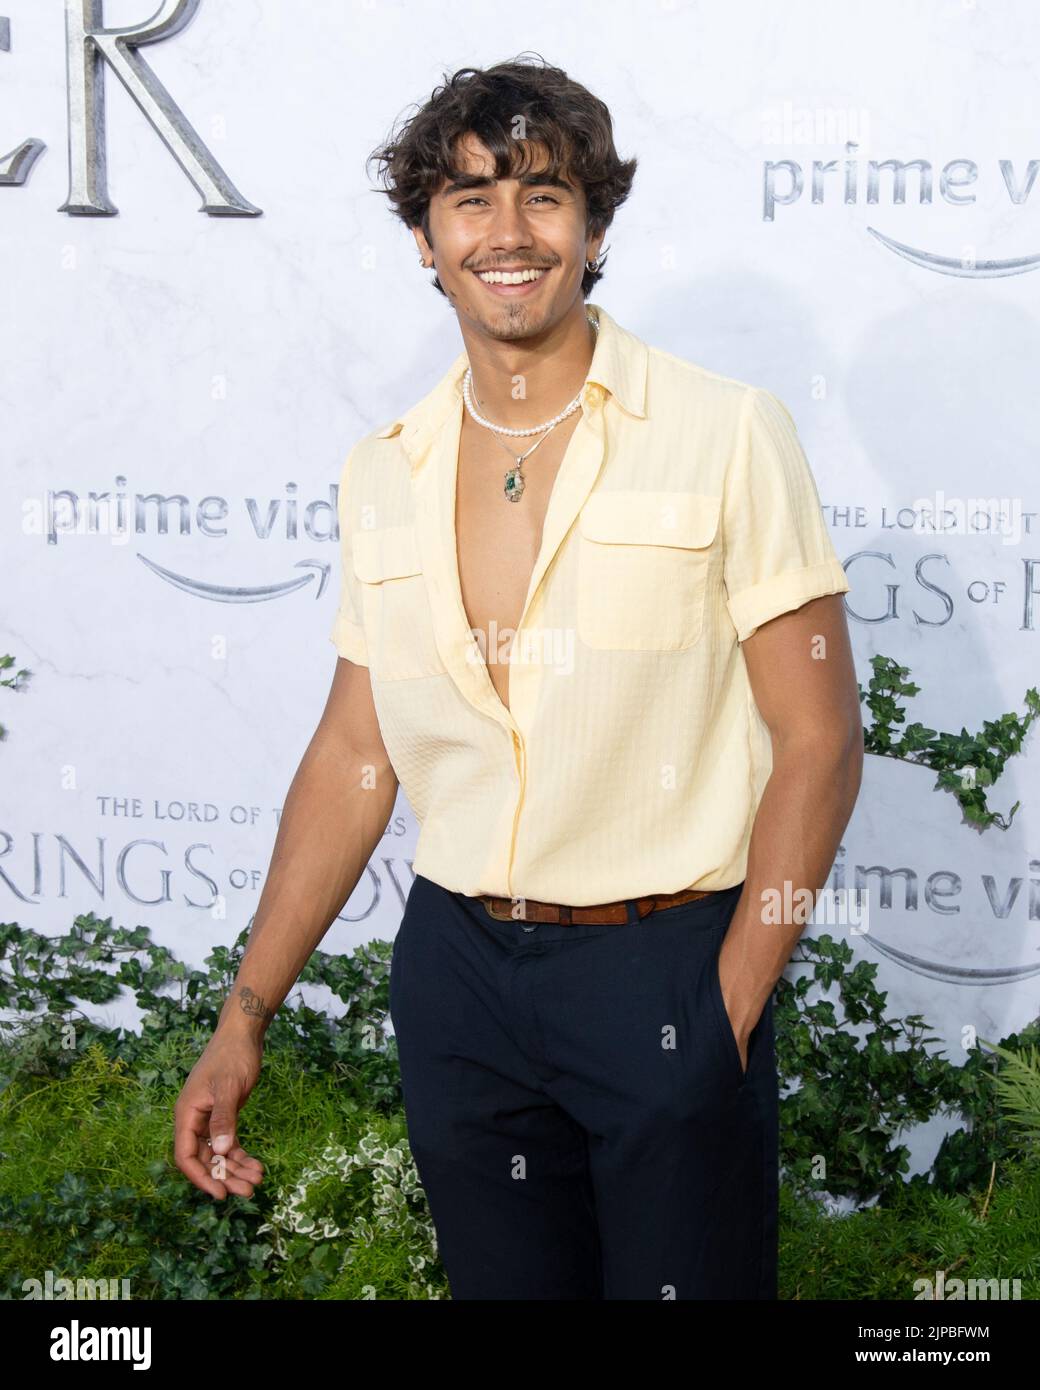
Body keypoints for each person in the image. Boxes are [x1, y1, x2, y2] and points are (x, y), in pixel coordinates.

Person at [174, 54, 863, 1301]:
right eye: (470, 199)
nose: (507, 233)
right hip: (461, 986)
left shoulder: (722, 431)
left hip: (666, 966)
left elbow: (817, 737)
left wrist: (729, 1006)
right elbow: (354, 754)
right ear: (426, 240)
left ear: (593, 229)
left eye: (542, 196)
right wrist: (243, 1016)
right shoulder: (382, 468)